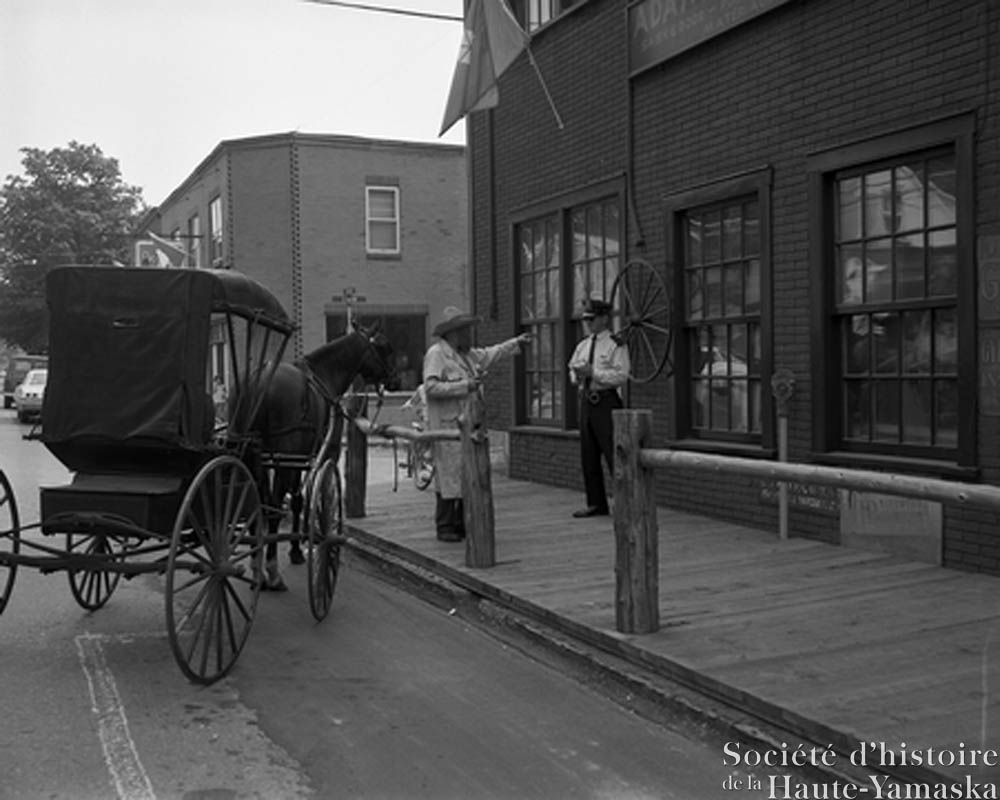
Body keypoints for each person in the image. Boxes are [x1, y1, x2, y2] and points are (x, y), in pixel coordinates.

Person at [423, 307, 531, 541]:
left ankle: (462, 523)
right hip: (448, 426)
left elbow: (491, 353)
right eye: (466, 331)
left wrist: (516, 343)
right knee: (448, 477)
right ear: (454, 333)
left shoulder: (467, 355)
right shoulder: (437, 354)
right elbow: (430, 388)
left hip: (469, 425)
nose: (470, 336)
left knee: (466, 475)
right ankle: (445, 526)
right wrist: (465, 386)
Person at [567, 296, 630, 518]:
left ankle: (626, 502)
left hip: (606, 401)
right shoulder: (583, 345)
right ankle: (596, 503)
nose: (588, 323)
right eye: (585, 319)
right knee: (589, 454)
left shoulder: (615, 344)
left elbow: (621, 375)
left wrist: (593, 373)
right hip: (586, 400)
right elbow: (571, 370)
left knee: (615, 453)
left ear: (604, 319)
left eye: (592, 319)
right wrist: (577, 375)